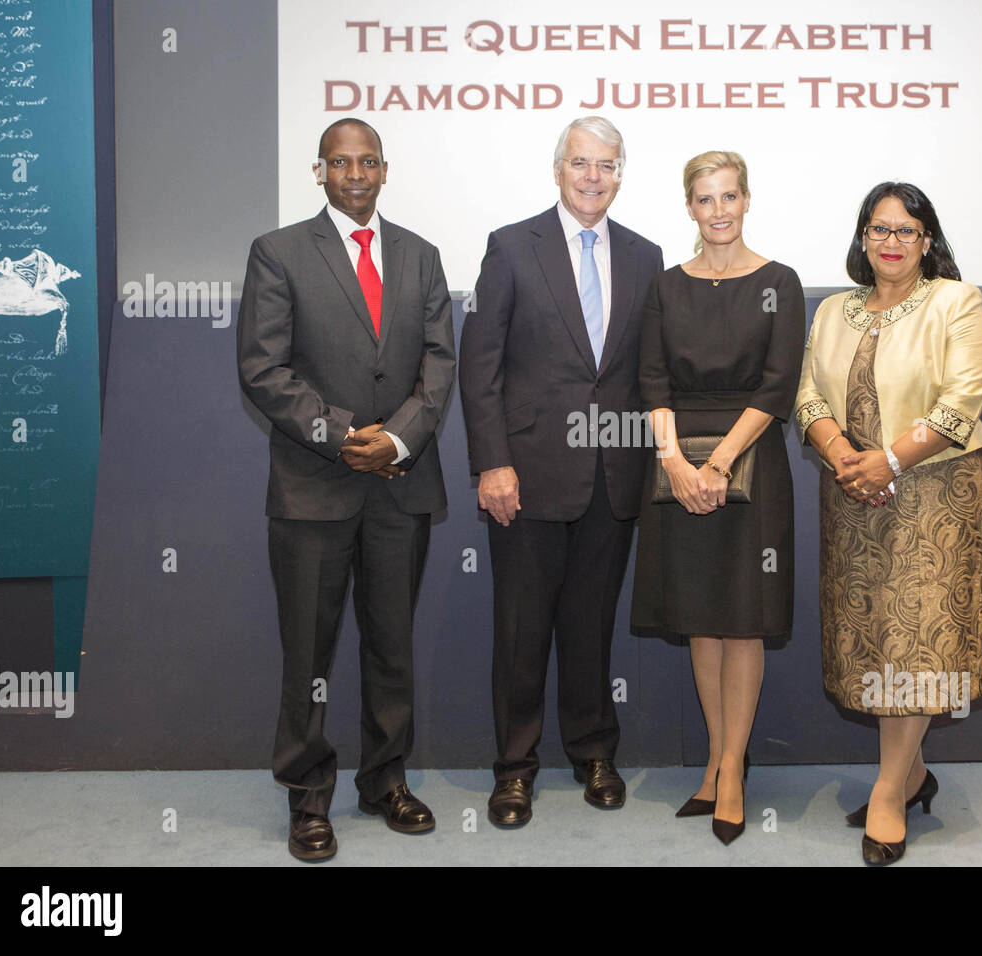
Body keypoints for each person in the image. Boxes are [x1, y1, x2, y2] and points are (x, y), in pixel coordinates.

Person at [237, 118, 455, 861]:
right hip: (312, 492)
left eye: (367, 161)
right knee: (310, 653)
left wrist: (394, 439)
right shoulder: (278, 253)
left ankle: (385, 779)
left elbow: (438, 365)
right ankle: (307, 796)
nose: (354, 173)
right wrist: (341, 437)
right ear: (319, 170)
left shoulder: (422, 257)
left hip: (400, 483)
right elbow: (264, 370)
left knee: (392, 645)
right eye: (340, 161)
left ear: (385, 171)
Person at [459, 116, 664, 827]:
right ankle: (514, 770)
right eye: (580, 162)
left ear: (619, 174)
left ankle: (592, 753)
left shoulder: (645, 255)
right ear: (557, 169)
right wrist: (492, 463)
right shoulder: (512, 247)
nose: (592, 176)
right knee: (520, 633)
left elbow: (644, 373)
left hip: (614, 478)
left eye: (606, 165)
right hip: (527, 477)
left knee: (591, 628)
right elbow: (478, 365)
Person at [794, 181, 982, 864]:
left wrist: (888, 460)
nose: (888, 242)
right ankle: (910, 774)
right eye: (876, 229)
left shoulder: (954, 301)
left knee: (916, 641)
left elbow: (960, 401)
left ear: (927, 240)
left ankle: (887, 792)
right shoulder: (832, 310)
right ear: (861, 237)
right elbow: (808, 395)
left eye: (904, 231)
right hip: (850, 495)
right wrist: (845, 457)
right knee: (872, 638)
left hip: (934, 493)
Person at [630, 151, 805, 845]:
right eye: (705, 199)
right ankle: (715, 757)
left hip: (750, 464)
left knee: (744, 619)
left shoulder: (780, 282)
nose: (719, 210)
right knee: (701, 618)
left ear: (747, 199)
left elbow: (778, 385)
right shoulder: (666, 286)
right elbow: (651, 382)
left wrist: (720, 463)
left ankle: (732, 769)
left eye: (729, 196)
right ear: (690, 208)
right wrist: (674, 462)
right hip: (678, 470)